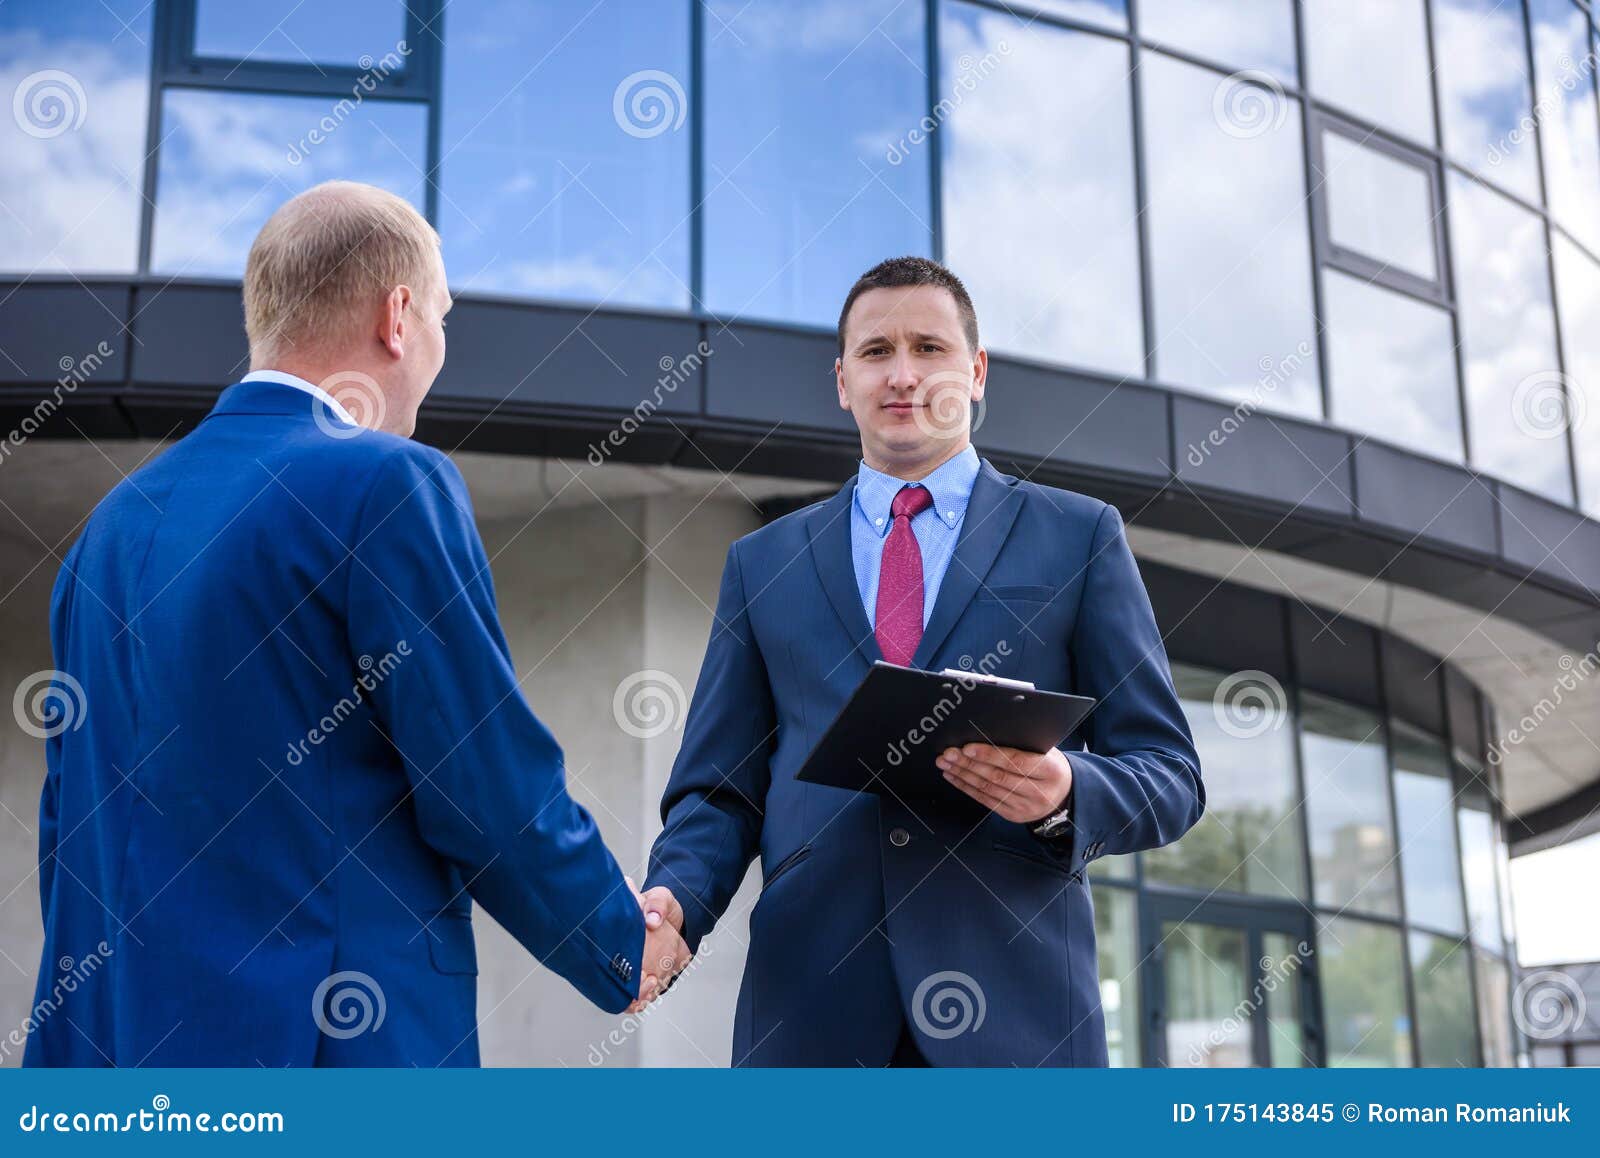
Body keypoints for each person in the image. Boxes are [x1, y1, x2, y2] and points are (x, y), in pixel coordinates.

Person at [24, 181, 688, 1067]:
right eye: (444, 318)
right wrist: (618, 941)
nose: (440, 349)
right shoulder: (383, 482)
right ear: (399, 316)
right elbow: (483, 778)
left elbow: (68, 827)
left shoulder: (110, 527)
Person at [641, 256, 1203, 1066]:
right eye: (876, 353)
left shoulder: (1079, 537)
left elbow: (1170, 772)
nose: (903, 375)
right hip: (812, 1017)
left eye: (929, 348)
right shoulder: (763, 565)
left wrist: (1065, 791)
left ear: (974, 373)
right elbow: (719, 791)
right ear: (842, 381)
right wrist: (678, 901)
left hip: (1020, 1022)